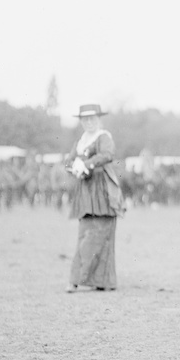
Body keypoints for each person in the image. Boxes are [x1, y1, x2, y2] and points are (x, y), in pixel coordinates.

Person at [64, 104, 126, 293]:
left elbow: (107, 154)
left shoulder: (103, 137)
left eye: (92, 119)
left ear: (99, 120)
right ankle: (84, 279)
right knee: (85, 233)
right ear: (81, 122)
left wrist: (87, 164)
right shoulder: (81, 141)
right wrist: (74, 166)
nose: (89, 123)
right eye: (85, 119)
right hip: (86, 191)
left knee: (101, 235)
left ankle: (100, 280)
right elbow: (69, 160)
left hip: (102, 190)